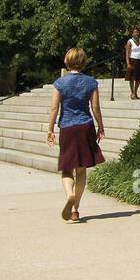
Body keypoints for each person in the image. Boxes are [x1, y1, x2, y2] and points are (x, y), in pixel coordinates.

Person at [46, 48, 105, 224]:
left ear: (67, 61)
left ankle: (69, 194)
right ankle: (75, 209)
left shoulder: (59, 83)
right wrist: (100, 126)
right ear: (83, 61)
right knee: (81, 170)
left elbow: (54, 108)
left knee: (66, 168)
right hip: (85, 126)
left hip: (67, 128)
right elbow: (95, 107)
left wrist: (50, 130)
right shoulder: (91, 82)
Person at [125, 27, 140, 100]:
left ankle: (135, 92)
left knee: (138, 78)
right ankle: (132, 93)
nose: (136, 33)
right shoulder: (130, 41)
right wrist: (128, 63)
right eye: (134, 32)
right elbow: (127, 53)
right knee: (132, 78)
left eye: (137, 32)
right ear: (132, 34)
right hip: (132, 60)